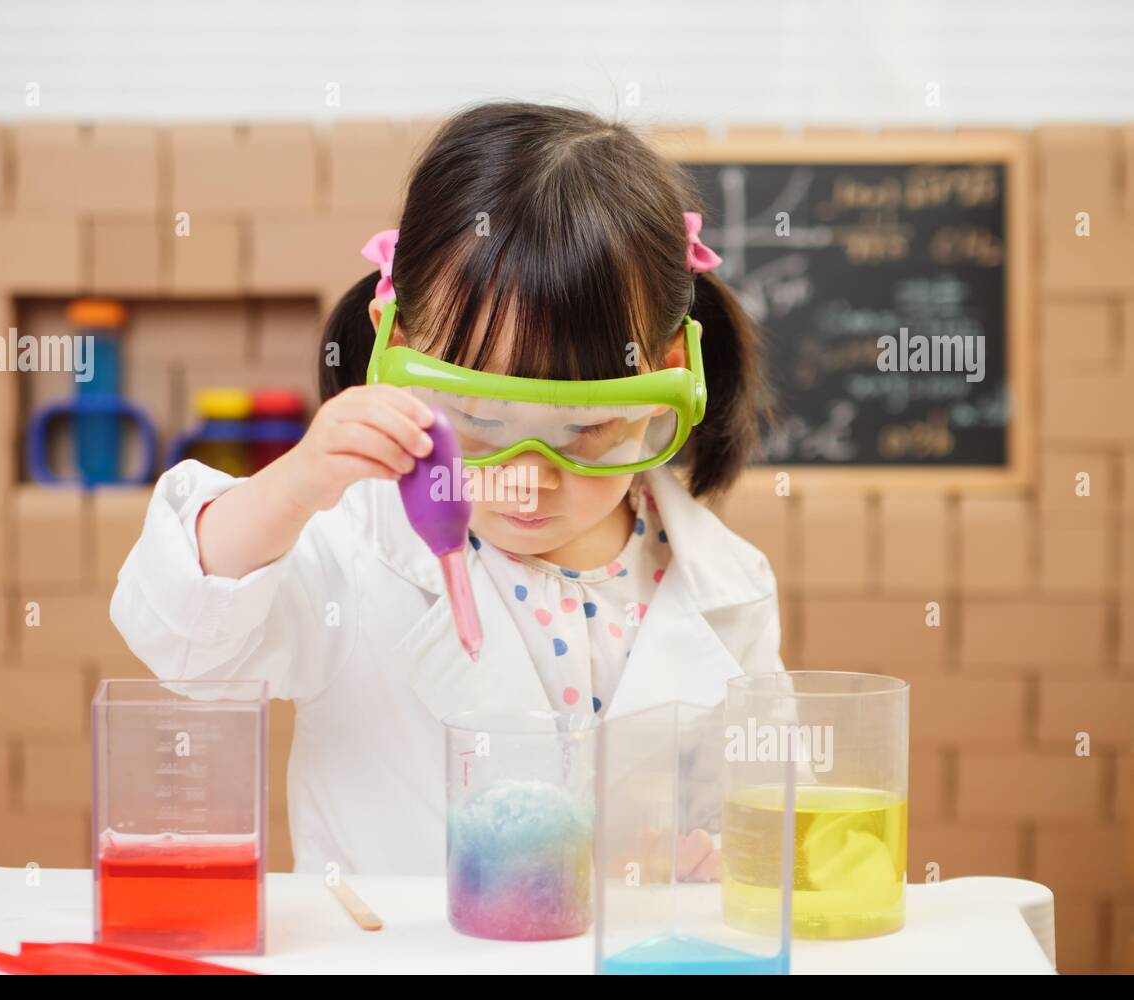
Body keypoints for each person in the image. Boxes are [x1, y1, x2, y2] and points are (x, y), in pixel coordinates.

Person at [111, 102, 781, 875]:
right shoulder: (355, 546)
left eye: (587, 429)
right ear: (395, 342)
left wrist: (712, 860)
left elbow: (754, 809)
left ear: (667, 373)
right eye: (476, 419)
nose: (527, 478)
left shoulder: (729, 588)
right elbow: (184, 644)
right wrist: (294, 484)